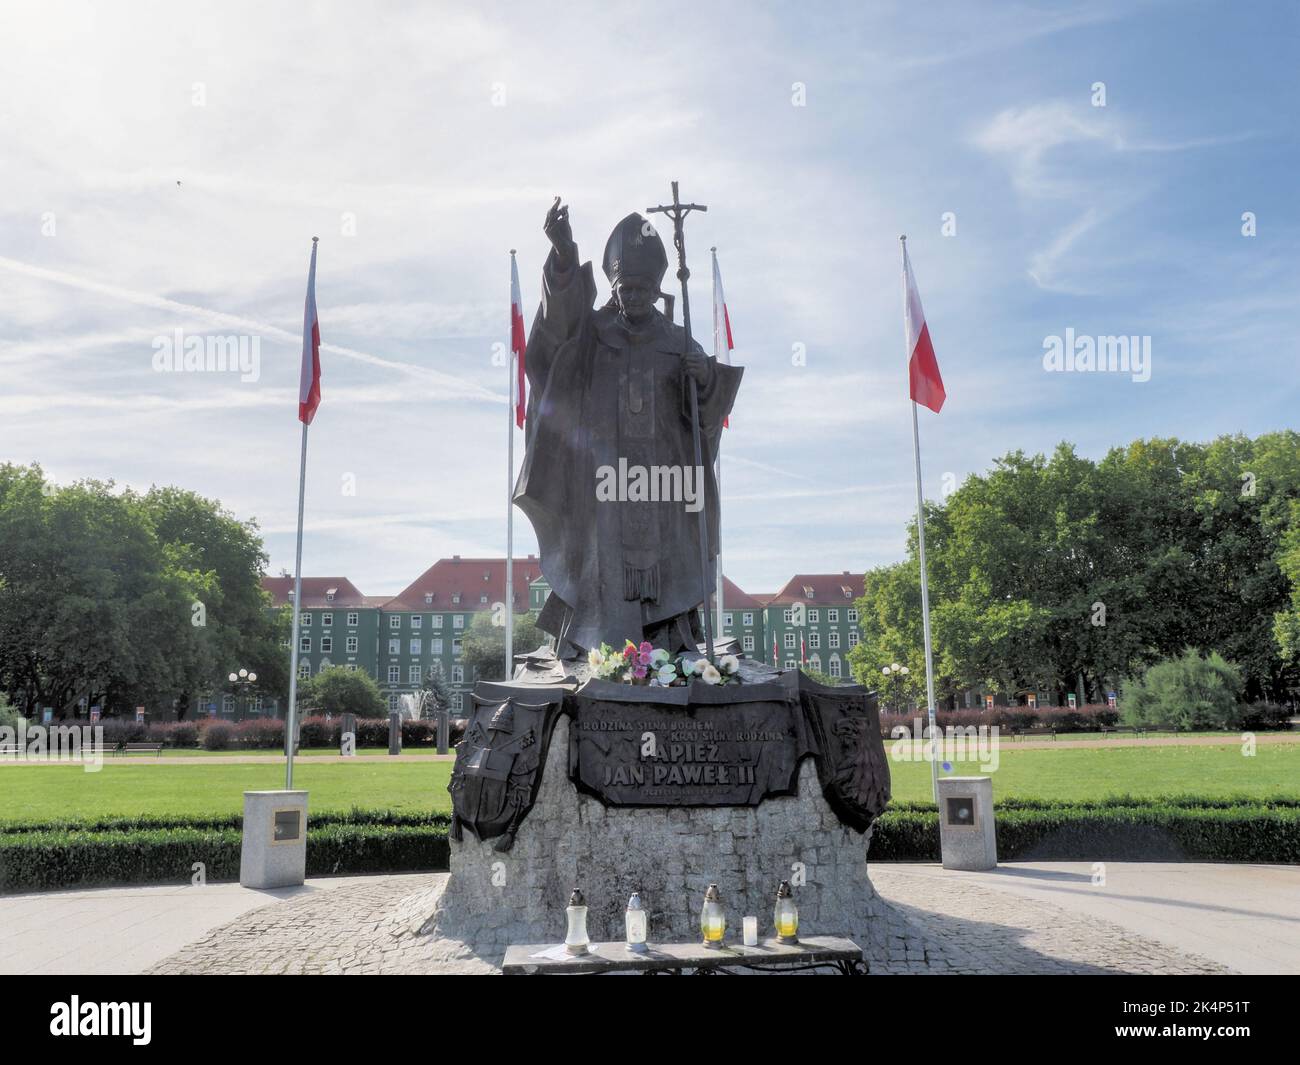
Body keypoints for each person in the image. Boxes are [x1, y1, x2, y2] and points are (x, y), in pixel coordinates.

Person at [513, 197, 742, 658]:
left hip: (663, 485)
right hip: (599, 481)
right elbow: (555, 335)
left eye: (642, 289)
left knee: (671, 558)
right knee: (597, 558)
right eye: (625, 288)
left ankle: (669, 650)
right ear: (613, 285)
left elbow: (704, 421)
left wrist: (703, 380)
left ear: (657, 289)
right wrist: (563, 256)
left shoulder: (679, 342)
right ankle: (590, 651)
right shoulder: (592, 332)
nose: (633, 297)